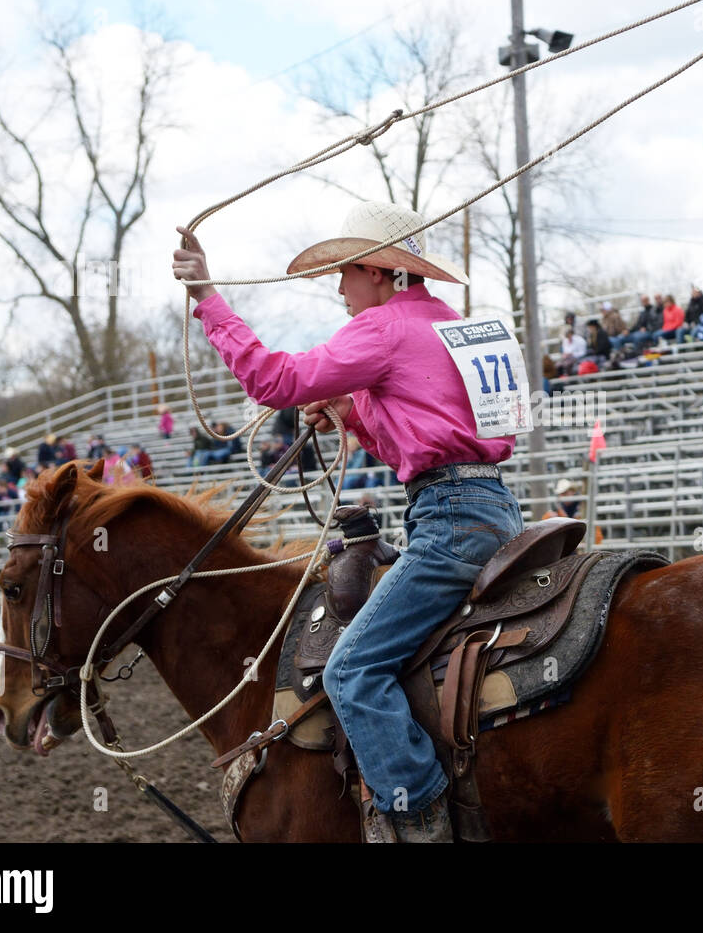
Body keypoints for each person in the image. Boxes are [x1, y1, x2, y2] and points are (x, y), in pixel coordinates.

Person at [174, 199, 521, 844]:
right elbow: (431, 430)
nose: (338, 288)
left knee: (351, 670)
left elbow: (274, 381)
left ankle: (417, 817)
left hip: (446, 519)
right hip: (494, 508)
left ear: (382, 272)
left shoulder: (384, 330)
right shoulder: (459, 328)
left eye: (346, 272)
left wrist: (207, 299)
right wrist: (347, 407)